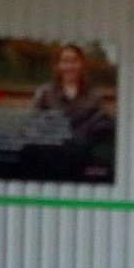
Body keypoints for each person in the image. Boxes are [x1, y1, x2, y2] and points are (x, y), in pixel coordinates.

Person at [23, 43, 115, 181]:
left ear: (82, 64)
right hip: (48, 167)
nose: (69, 66)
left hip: (82, 167)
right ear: (58, 66)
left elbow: (103, 131)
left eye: (74, 61)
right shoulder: (44, 94)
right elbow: (30, 126)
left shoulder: (95, 97)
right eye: (65, 61)